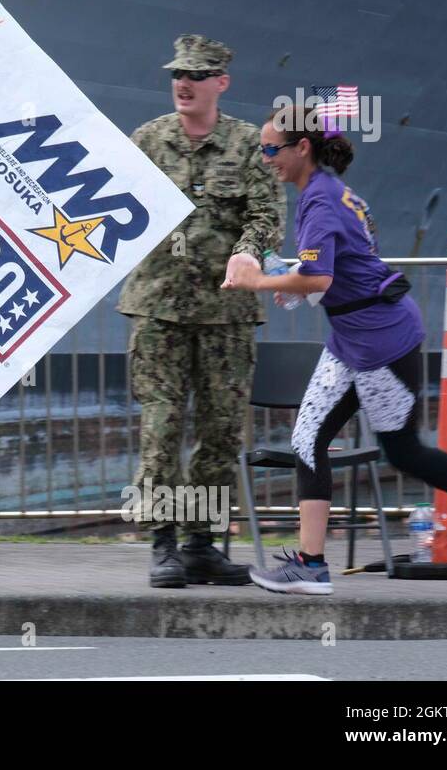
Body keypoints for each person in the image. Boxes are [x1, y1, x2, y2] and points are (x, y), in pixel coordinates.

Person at [221, 104, 447, 593]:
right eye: (262, 150)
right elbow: (337, 272)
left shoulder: (320, 202)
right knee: (308, 439)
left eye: (272, 149)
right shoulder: (332, 194)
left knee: (404, 451)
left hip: (381, 342)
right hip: (352, 339)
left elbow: (319, 275)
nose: (265, 159)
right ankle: (311, 563)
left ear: (303, 148)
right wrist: (293, 284)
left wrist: (260, 280)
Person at [117, 34, 286, 588]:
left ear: (221, 82)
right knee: (162, 426)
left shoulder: (244, 145)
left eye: (196, 74)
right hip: (160, 309)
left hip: (225, 314)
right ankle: (162, 545)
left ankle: (202, 545)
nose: (183, 83)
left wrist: (248, 250)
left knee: (219, 433)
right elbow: (110, 205)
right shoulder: (147, 141)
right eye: (177, 74)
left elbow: (267, 214)